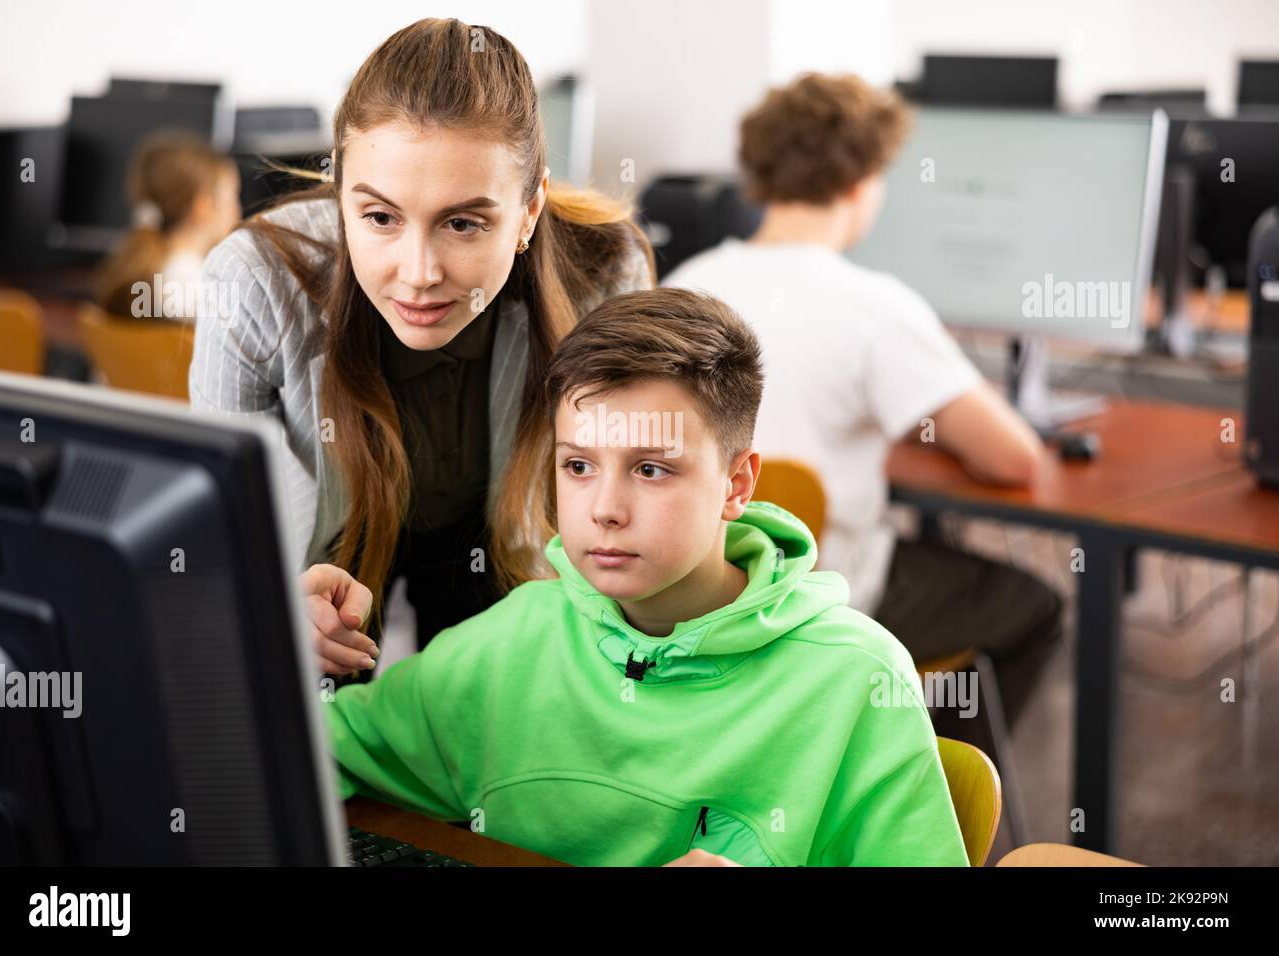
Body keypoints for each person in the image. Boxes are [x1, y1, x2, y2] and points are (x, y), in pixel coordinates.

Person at [324, 288, 969, 867]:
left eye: (651, 470)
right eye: (578, 466)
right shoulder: (512, 640)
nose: (604, 508)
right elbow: (307, 750)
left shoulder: (855, 677)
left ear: (736, 485)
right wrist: (273, 639)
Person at [189, 19, 654, 678]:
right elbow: (213, 530)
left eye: (463, 223)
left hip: (502, 542)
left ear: (528, 212)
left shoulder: (605, 267)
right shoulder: (253, 281)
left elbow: (625, 498)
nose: (418, 272)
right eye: (380, 217)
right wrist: (269, 602)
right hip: (329, 552)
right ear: (339, 194)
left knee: (502, 722)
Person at [663, 73, 1062, 743]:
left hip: (693, 597)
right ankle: (919, 800)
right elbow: (1013, 457)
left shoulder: (685, 284)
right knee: (1034, 604)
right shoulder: (875, 305)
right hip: (821, 592)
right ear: (860, 181)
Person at [94, 130, 241, 321]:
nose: (238, 210)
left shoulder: (133, 270)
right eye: (233, 198)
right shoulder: (196, 287)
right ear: (203, 207)